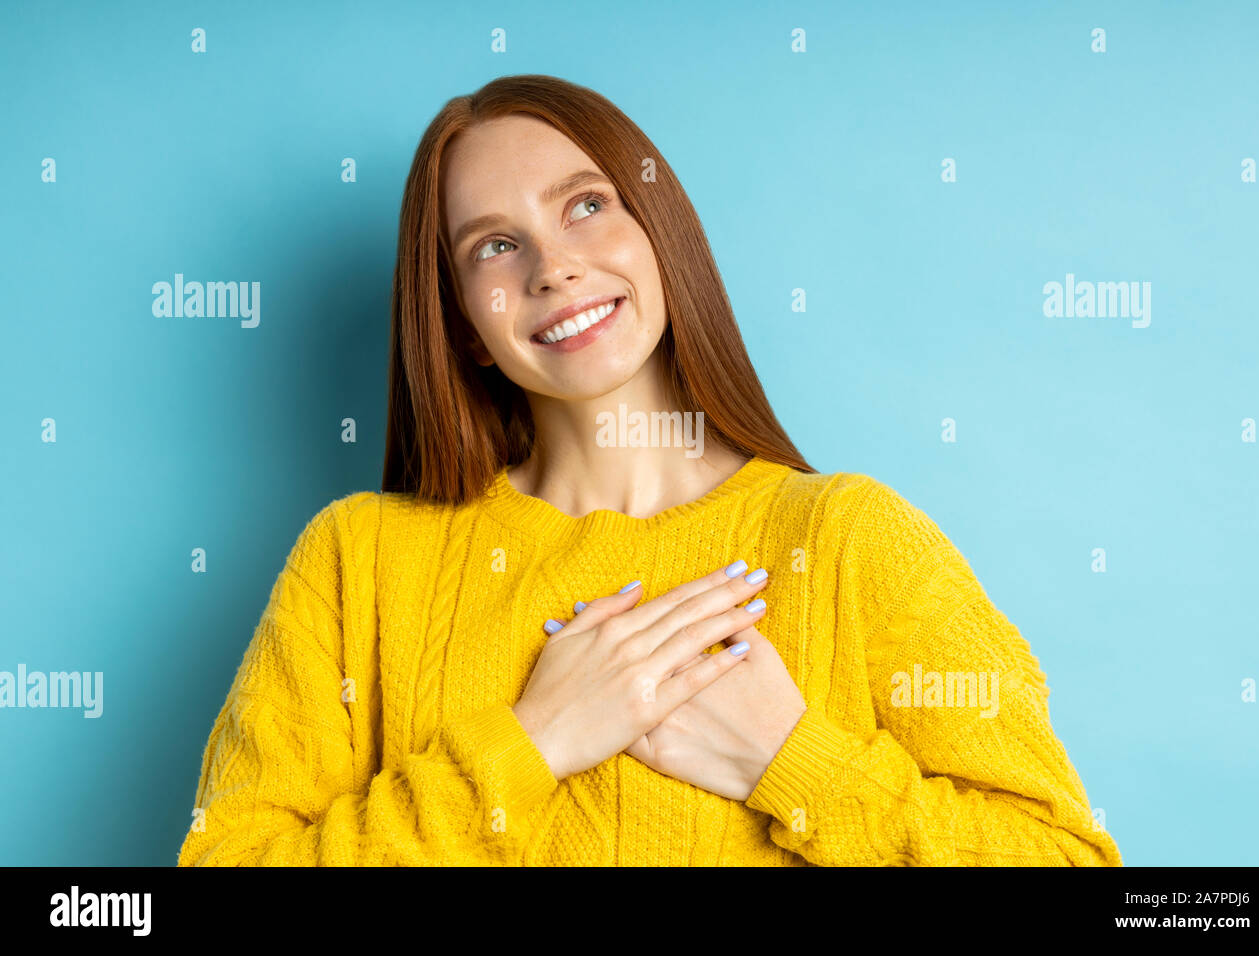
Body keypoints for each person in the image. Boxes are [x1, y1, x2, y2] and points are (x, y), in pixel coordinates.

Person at [177, 74, 1122, 866]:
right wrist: (529, 742)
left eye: (586, 206)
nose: (553, 267)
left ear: (659, 231)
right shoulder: (359, 562)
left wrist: (795, 765)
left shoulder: (848, 539)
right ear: (463, 322)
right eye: (494, 246)